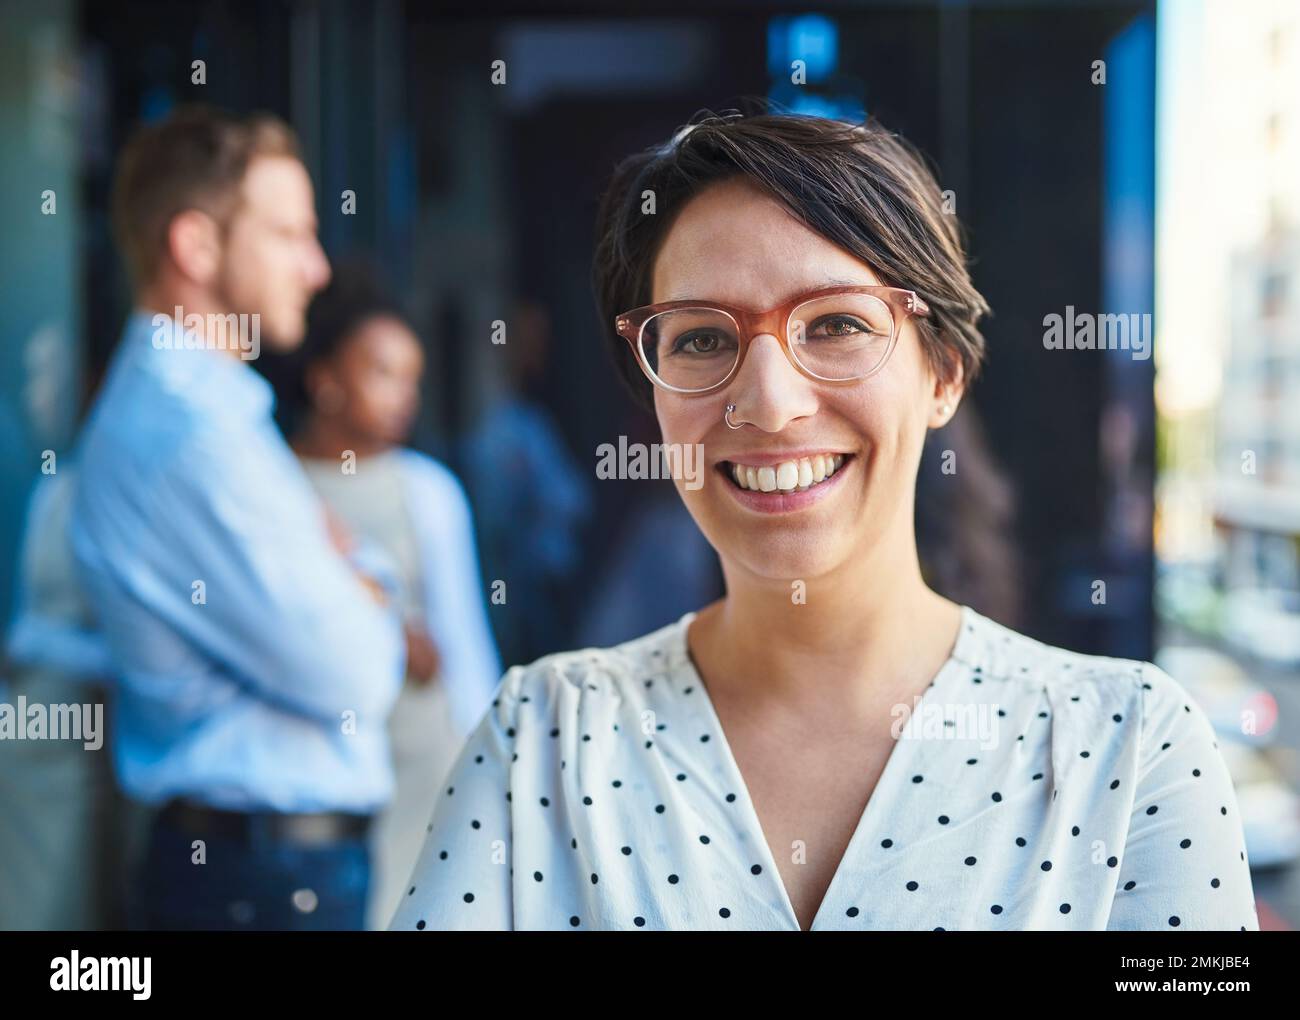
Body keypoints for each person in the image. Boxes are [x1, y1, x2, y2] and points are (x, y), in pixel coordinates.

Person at [392, 110, 1259, 931]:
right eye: (701, 338)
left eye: (837, 324)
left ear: (944, 372)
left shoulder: (1131, 748)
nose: (768, 404)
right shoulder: (540, 739)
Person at [69, 106, 406, 930]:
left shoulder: (202, 412)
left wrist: (349, 573)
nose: (317, 267)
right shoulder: (191, 432)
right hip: (258, 883)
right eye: (289, 234)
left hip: (260, 873)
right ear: (196, 247)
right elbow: (358, 675)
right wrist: (364, 581)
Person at [280, 266, 501, 929]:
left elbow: (461, 646)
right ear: (323, 379)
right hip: (309, 773)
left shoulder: (425, 489)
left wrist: (489, 773)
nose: (404, 395)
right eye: (381, 372)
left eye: (411, 376)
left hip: (420, 768)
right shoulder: (269, 486)